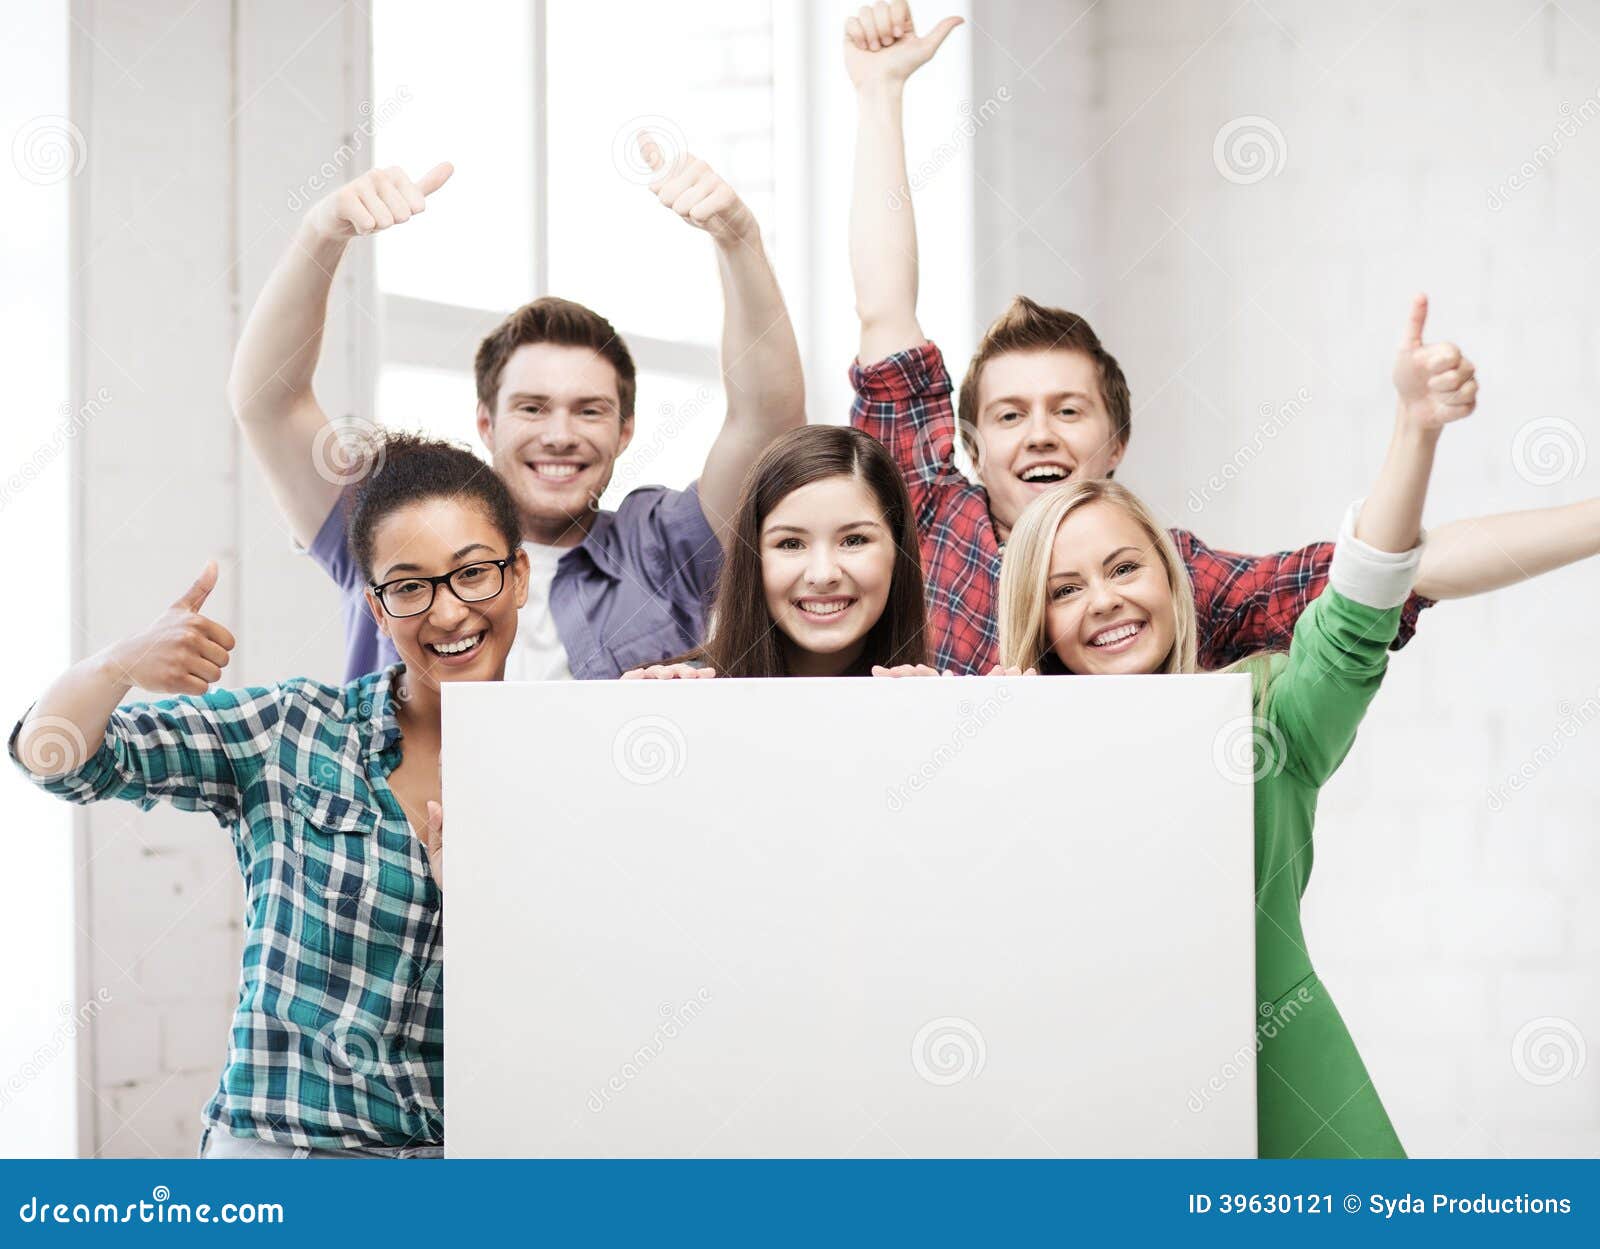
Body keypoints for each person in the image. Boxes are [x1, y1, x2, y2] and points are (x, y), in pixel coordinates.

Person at [845, 2, 1600, 674]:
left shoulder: (1171, 579)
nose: (1040, 434)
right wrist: (880, 94)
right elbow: (884, 314)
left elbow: (1394, 566)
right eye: (1010, 415)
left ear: (1117, 445)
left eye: (1069, 410)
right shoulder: (929, 523)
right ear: (972, 449)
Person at [991, 297, 1474, 1157]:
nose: (1103, 600)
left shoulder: (1265, 709)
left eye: (1124, 566)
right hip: (1096, 1112)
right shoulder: (1008, 755)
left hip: (1290, 1098)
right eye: (1065, 589)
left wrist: (1416, 429)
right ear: (1039, 621)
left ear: (1168, 577)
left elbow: (1358, 606)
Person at [10, 435, 525, 1158]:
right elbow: (55, 757)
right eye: (409, 585)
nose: (446, 613)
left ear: (519, 574)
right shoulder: (289, 731)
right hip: (279, 1162)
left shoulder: (558, 768)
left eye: (472, 572)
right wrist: (119, 662)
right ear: (377, 608)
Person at [228, 140, 805, 682]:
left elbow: (767, 421)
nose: (560, 435)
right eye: (533, 408)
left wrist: (738, 239)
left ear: (626, 430)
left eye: (590, 411)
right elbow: (269, 401)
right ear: (487, 422)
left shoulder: (661, 550)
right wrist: (321, 234)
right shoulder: (391, 525)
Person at [623, 425, 928, 679]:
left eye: (854, 540)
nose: (822, 575)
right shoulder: (681, 690)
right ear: (751, 559)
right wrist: (648, 713)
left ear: (898, 551)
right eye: (791, 544)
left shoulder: (935, 699)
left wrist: (937, 719)